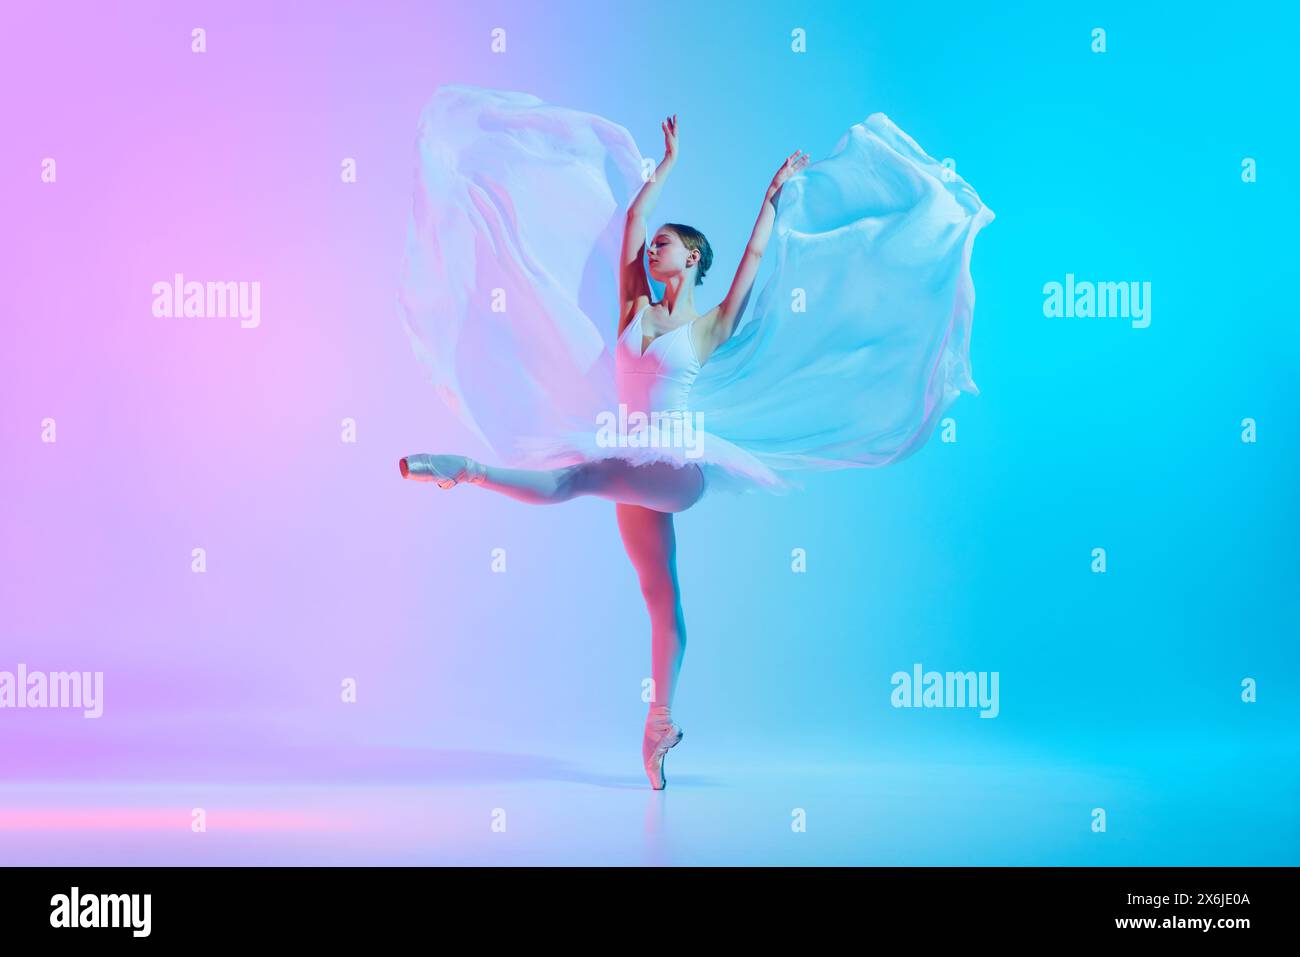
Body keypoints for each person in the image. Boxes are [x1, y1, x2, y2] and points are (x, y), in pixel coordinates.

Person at [396, 85, 994, 789]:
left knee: (577, 474)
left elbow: (754, 258)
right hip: (630, 453)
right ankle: (660, 727)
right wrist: (667, 164)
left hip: (677, 466)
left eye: (667, 245)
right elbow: (634, 217)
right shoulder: (632, 307)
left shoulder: (707, 327)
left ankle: (464, 468)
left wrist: (773, 194)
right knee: (660, 596)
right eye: (653, 246)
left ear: (690, 262)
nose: (654, 248)